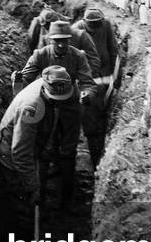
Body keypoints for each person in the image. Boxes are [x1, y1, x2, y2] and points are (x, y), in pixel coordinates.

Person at [21, 22, 96, 210]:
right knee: (44, 150)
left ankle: (67, 200)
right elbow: (26, 78)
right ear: (50, 40)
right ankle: (41, 197)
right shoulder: (40, 55)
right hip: (45, 106)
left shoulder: (78, 56)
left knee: (68, 152)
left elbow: (88, 82)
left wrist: (87, 95)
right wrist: (18, 82)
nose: (61, 45)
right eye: (57, 41)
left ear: (70, 40)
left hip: (70, 107)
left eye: (65, 41)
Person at [0, 66, 77, 215]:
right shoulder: (31, 108)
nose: (59, 102)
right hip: (9, 155)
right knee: (22, 203)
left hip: (26, 147)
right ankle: (23, 229)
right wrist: (33, 185)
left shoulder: (52, 86)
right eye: (56, 100)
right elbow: (20, 152)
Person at [72, 7, 122, 168]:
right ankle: (93, 159)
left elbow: (114, 50)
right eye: (91, 24)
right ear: (85, 22)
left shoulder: (106, 25)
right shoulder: (76, 30)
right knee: (90, 120)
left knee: (102, 116)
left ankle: (99, 154)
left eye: (97, 23)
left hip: (106, 78)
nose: (95, 27)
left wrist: (117, 76)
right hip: (87, 82)